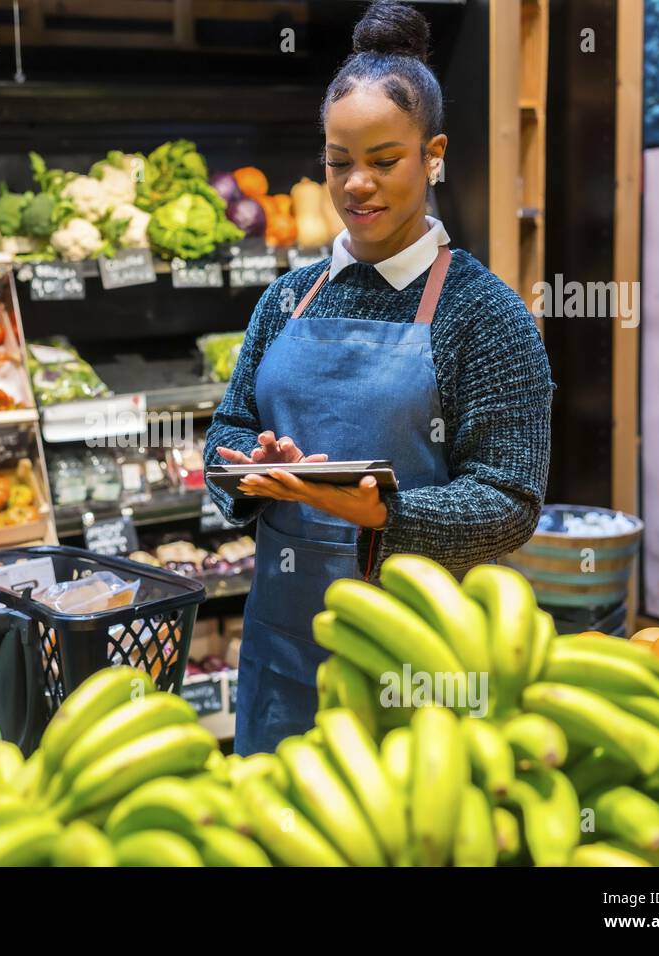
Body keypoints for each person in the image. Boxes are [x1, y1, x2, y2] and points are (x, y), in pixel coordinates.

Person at [204, 1, 554, 756]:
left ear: (433, 155)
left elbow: (510, 499)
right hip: (282, 654)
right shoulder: (287, 296)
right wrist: (248, 468)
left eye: (384, 160)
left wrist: (383, 516)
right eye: (338, 161)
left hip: (418, 669)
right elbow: (227, 428)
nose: (356, 184)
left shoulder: (482, 311)